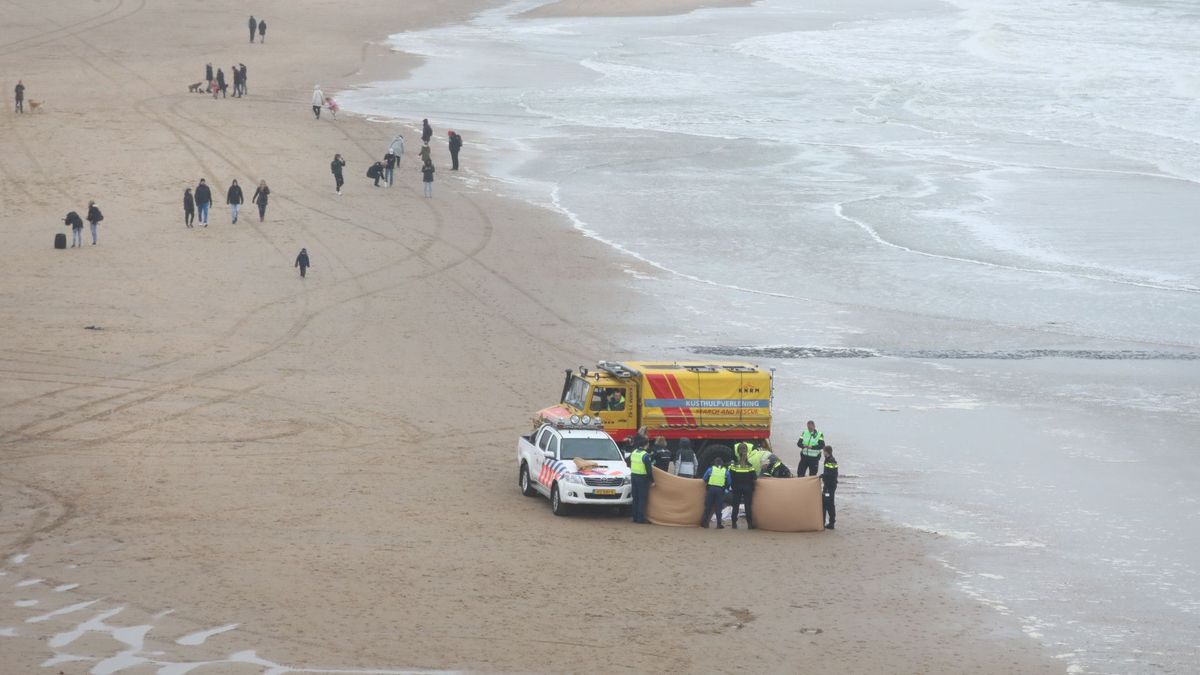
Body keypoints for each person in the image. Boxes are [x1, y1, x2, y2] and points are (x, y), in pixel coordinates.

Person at [728, 444, 756, 529]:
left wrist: (733, 486)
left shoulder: (734, 466)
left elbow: (731, 477)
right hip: (748, 488)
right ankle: (749, 524)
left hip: (737, 488)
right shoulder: (750, 466)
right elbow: (754, 477)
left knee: (735, 506)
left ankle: (734, 523)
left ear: (738, 453)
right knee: (748, 506)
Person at [629, 442, 655, 524]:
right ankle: (640, 518)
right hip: (642, 479)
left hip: (633, 476)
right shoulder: (645, 455)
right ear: (645, 445)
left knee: (635, 497)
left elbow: (628, 462)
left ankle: (634, 517)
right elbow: (649, 470)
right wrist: (652, 480)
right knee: (642, 498)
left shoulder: (633, 452)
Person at [700, 458, 729, 528]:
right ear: (722, 464)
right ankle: (719, 524)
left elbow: (704, 478)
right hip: (720, 490)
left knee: (708, 506)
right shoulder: (726, 471)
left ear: (715, 463)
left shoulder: (710, 469)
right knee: (718, 507)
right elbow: (729, 481)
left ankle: (705, 523)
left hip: (711, 489)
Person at [821, 445, 838, 529]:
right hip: (830, 485)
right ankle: (830, 522)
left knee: (826, 504)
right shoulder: (828, 459)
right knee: (829, 504)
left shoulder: (831, 461)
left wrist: (823, 476)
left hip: (829, 487)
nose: (823, 453)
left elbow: (831, 474)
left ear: (826, 452)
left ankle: (827, 523)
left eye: (823, 451)